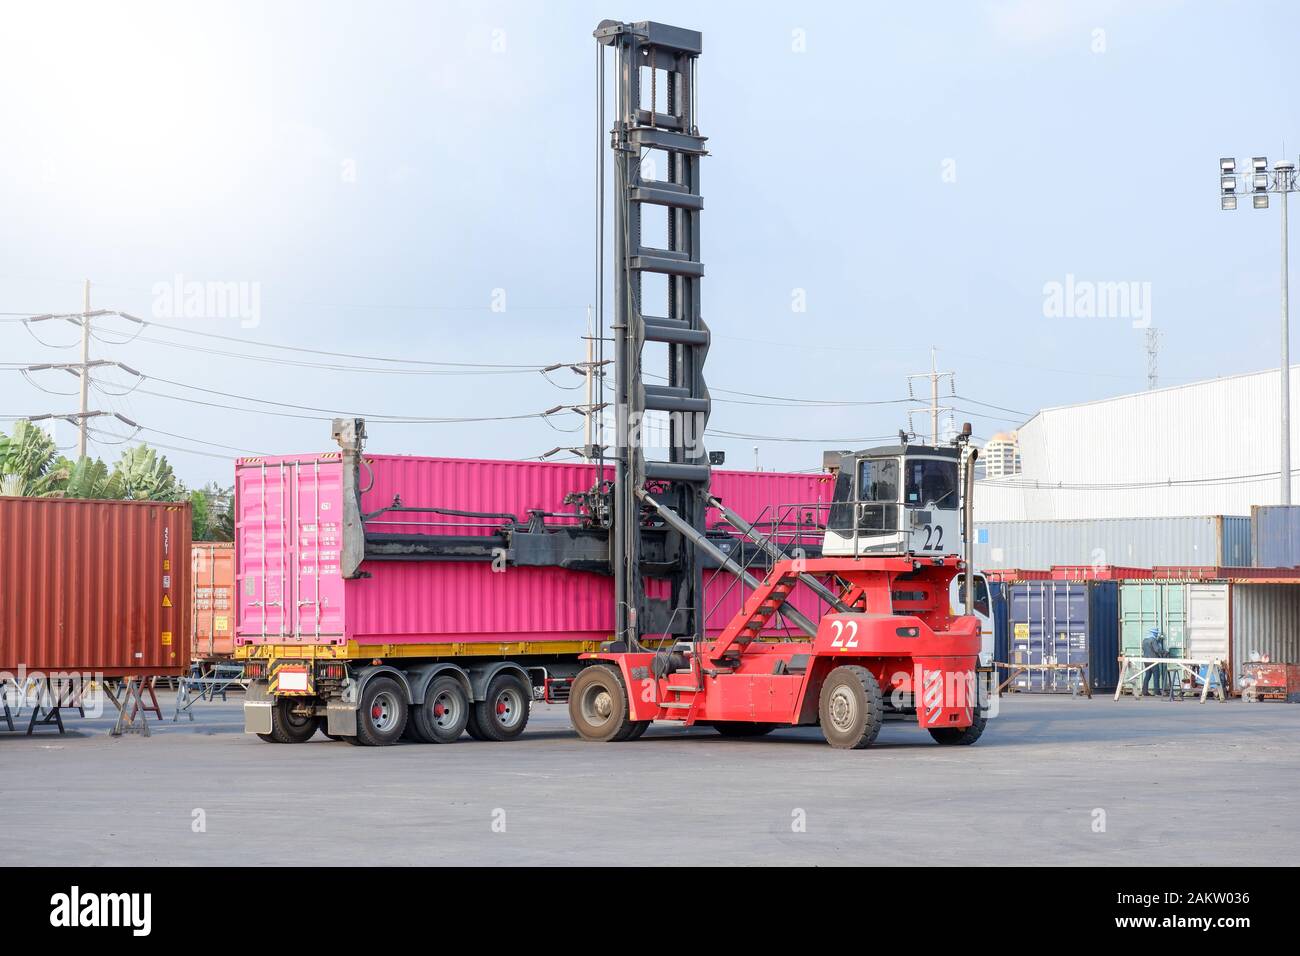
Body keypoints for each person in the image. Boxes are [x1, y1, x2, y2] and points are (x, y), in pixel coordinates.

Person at [1140, 627, 1166, 697]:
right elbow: (1157, 650)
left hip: (1146, 660)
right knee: (1156, 676)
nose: (1157, 635)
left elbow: (1144, 649)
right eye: (1156, 633)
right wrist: (1164, 652)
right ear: (1154, 633)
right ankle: (1157, 692)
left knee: (1147, 675)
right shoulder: (1153, 640)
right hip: (1153, 660)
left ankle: (1144, 691)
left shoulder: (1144, 640)